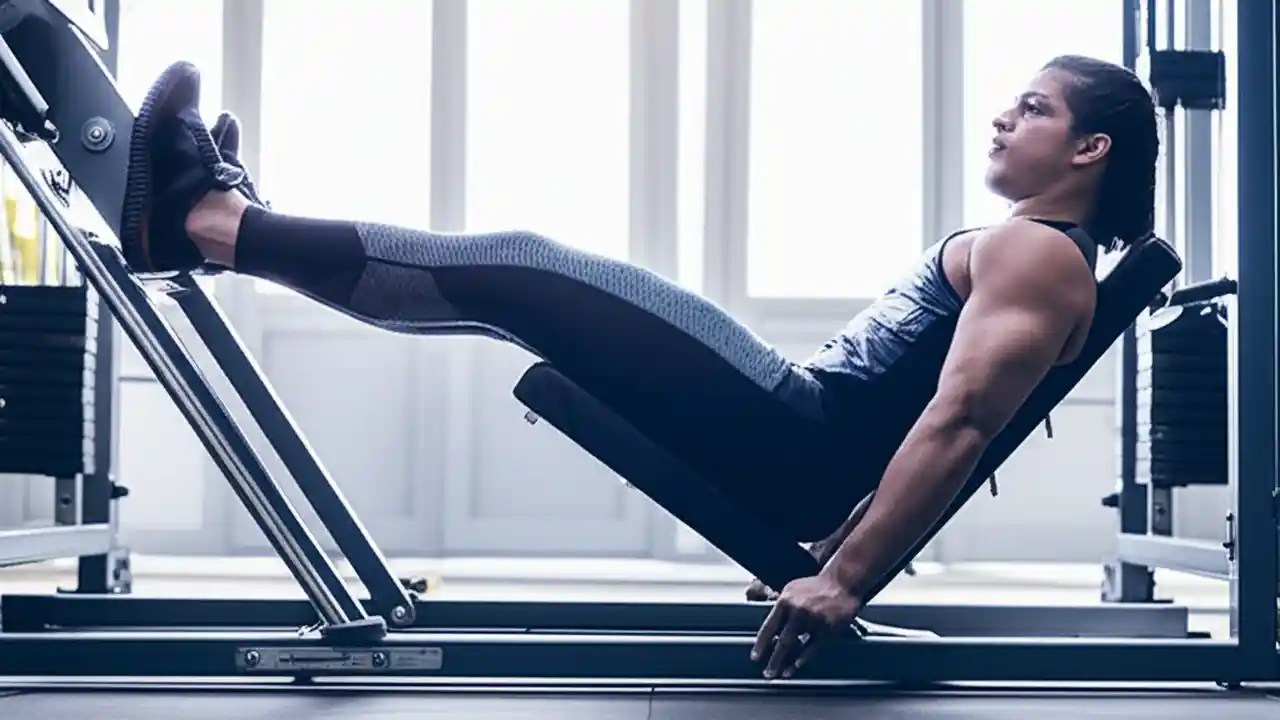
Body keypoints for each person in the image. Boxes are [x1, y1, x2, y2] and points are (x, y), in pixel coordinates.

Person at [120, 54, 1158, 679]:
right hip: (797, 437)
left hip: (790, 433)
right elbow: (932, 420)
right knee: (509, 281)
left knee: (520, 265)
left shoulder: (1033, 252)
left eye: (1032, 108)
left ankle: (211, 219)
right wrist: (839, 539)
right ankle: (215, 224)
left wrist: (840, 578)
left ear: (1088, 151)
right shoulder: (1034, 251)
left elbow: (964, 422)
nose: (1001, 117)